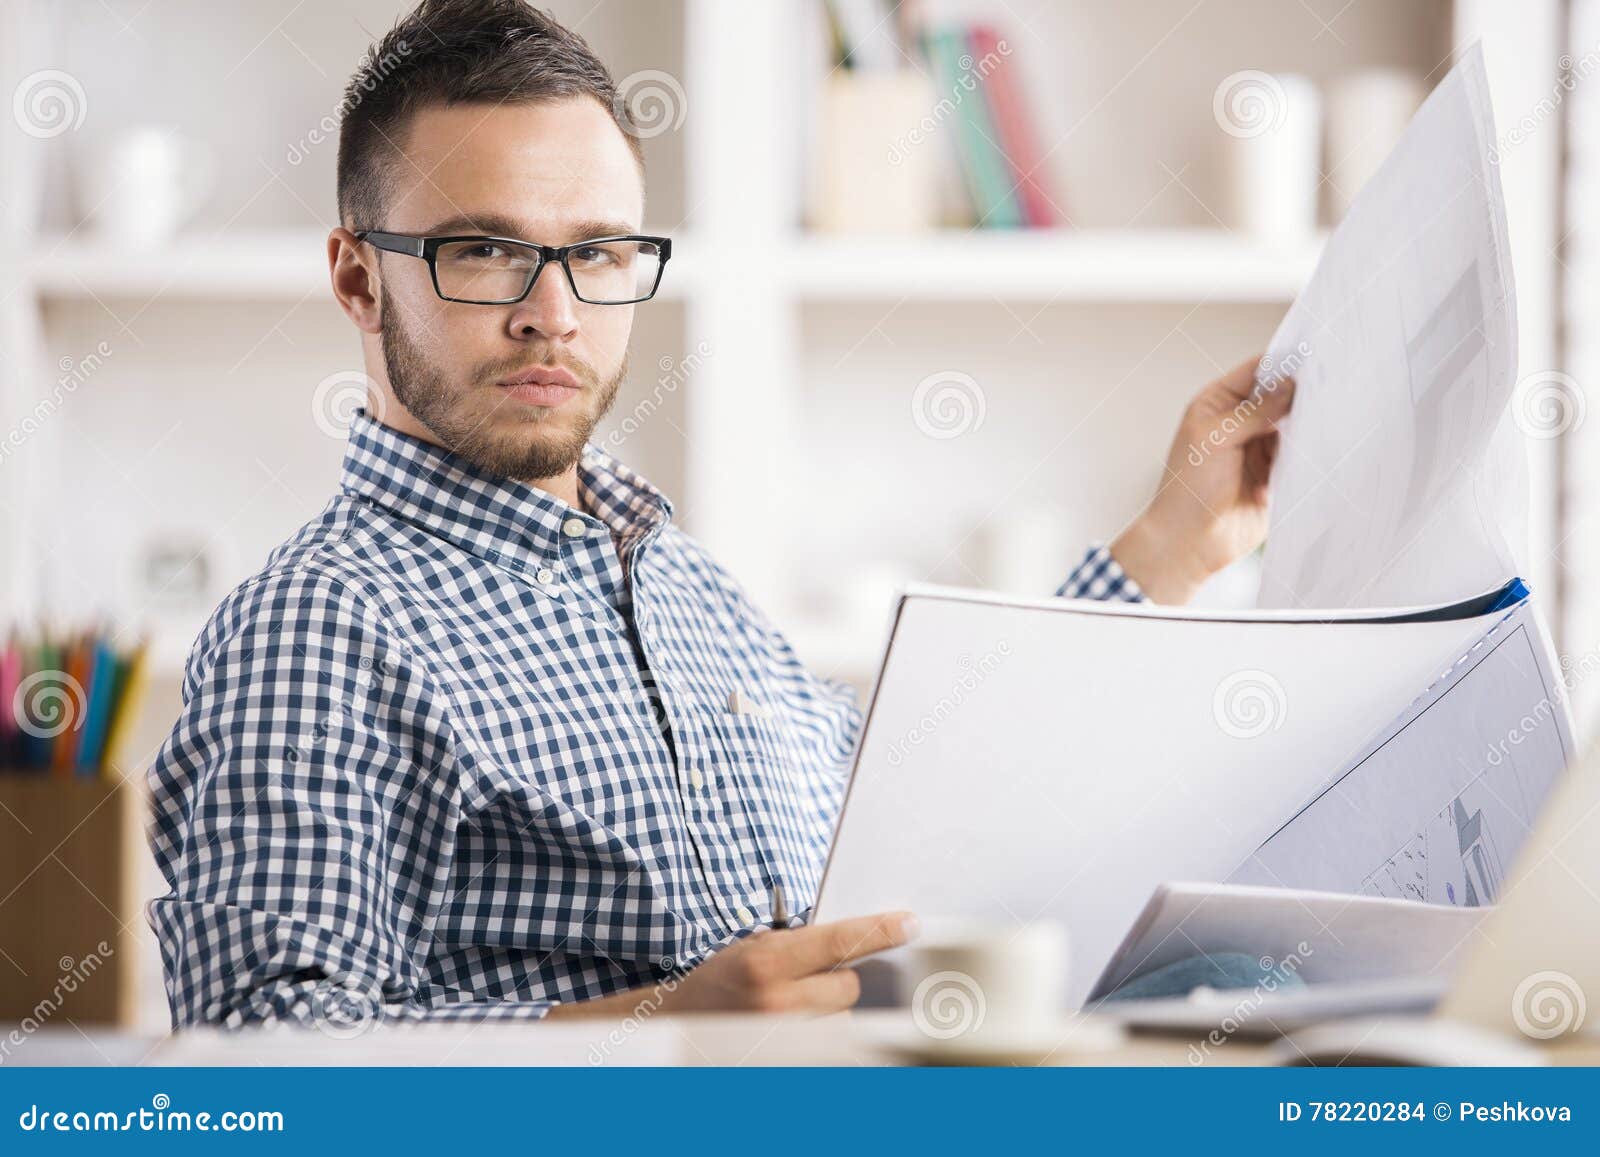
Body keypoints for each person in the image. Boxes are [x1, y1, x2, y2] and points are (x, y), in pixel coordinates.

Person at [146, 0, 1293, 1028]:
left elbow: (920, 796)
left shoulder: (674, 576)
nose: (554, 313)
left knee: (1255, 981)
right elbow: (261, 1053)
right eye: (485, 251)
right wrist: (658, 1029)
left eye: (596, 251)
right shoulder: (319, 624)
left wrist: (1168, 546)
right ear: (358, 278)